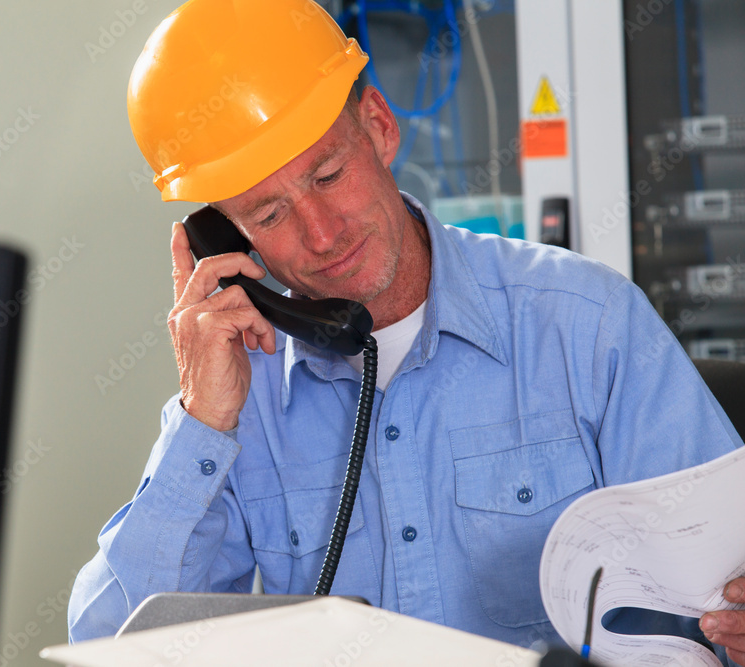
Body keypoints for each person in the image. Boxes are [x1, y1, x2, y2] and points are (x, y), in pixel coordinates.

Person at [69, 0, 745, 662]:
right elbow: (106, 642)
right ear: (223, 239)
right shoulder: (236, 399)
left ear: (380, 126)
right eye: (269, 215)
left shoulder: (588, 324)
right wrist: (203, 422)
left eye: (329, 175)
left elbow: (720, 595)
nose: (322, 232)